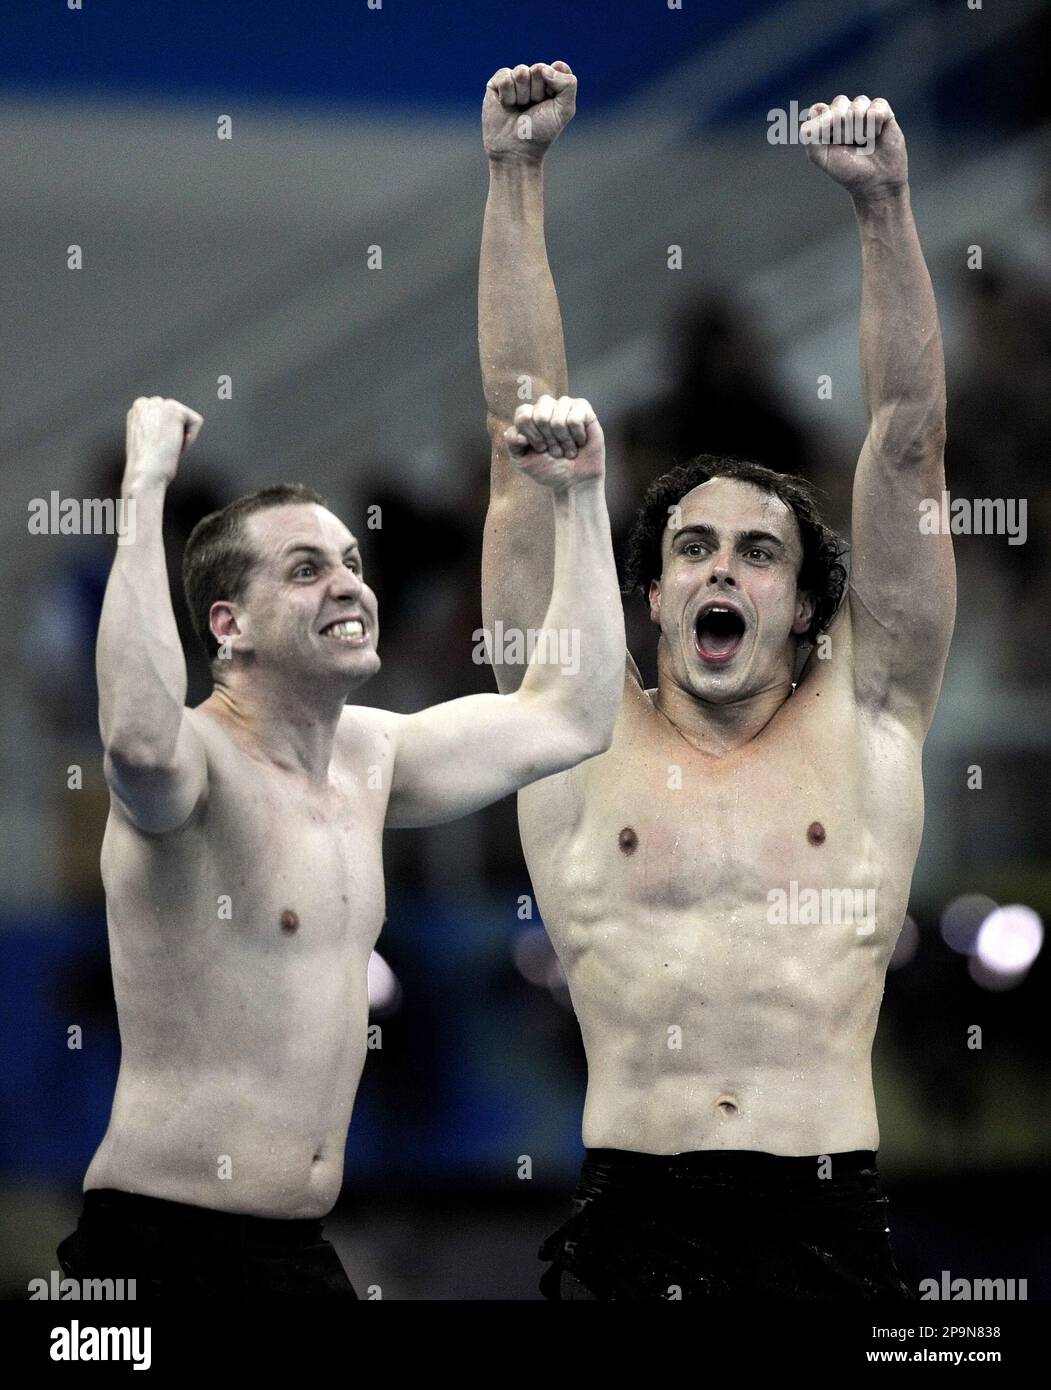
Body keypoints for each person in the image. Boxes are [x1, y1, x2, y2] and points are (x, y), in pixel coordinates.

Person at [479, 65, 953, 1299]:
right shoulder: (569, 730)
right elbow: (519, 439)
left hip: (823, 1215)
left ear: (803, 605)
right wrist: (514, 176)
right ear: (647, 596)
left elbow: (906, 441)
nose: (717, 570)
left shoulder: (874, 715)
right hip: (632, 1212)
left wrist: (884, 208)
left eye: (756, 551)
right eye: (689, 548)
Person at [57, 391, 623, 1297]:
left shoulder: (372, 756)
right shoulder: (195, 765)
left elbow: (572, 717)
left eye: (351, 562)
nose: (349, 584)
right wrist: (146, 486)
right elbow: (133, 736)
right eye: (306, 568)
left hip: (293, 1248)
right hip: (159, 1250)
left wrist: (581, 496)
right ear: (227, 627)